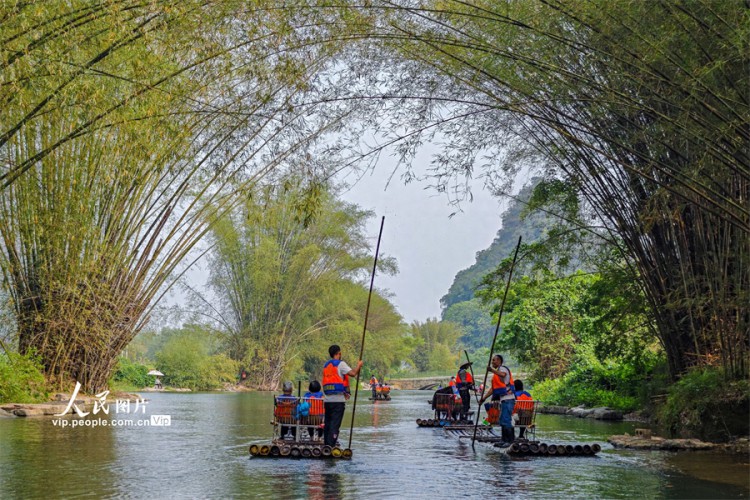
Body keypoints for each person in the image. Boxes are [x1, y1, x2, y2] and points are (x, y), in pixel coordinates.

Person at [322, 344, 362, 447]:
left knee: (328, 424)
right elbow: (353, 373)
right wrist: (359, 365)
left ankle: (326, 444)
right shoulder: (340, 364)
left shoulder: (326, 365)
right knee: (335, 425)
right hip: (338, 401)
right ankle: (330, 447)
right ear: (338, 353)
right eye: (340, 353)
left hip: (327, 401)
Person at [479, 354, 516, 445]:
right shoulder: (496, 374)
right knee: (503, 420)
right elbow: (493, 389)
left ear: (499, 361)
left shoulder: (502, 369)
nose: (492, 362)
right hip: (503, 399)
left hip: (508, 399)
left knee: (506, 419)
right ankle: (504, 440)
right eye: (492, 360)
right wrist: (483, 398)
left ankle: (510, 441)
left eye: (494, 360)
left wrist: (491, 370)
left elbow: (503, 374)